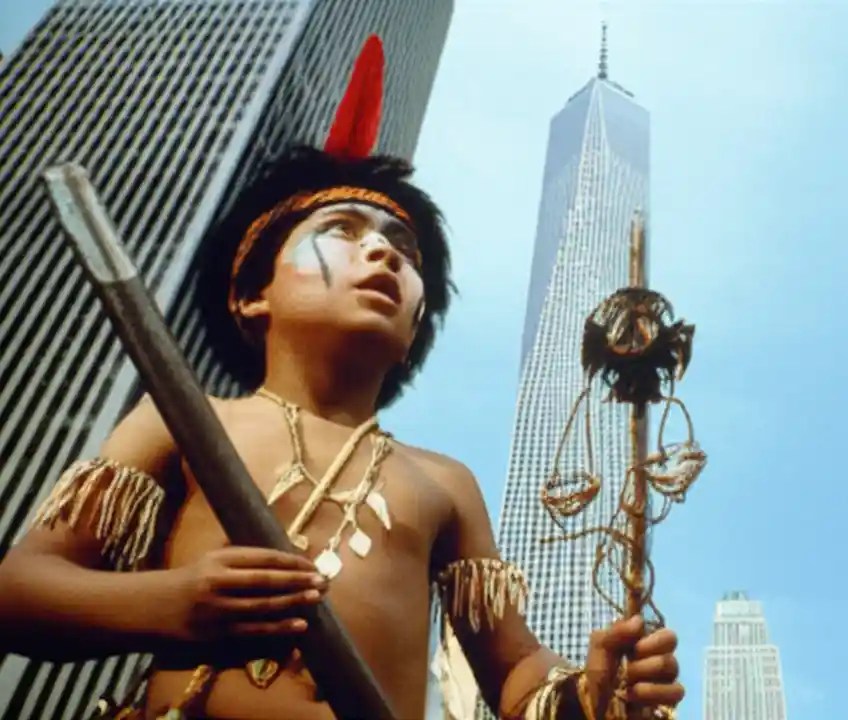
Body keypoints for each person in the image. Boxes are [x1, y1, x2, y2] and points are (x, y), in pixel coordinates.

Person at [0, 36, 682, 720]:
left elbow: (515, 671)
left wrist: (592, 693)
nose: (383, 251)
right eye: (343, 230)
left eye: (403, 247)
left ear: (416, 326)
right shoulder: (182, 420)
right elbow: (20, 591)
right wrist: (172, 603)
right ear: (250, 295)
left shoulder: (445, 484)